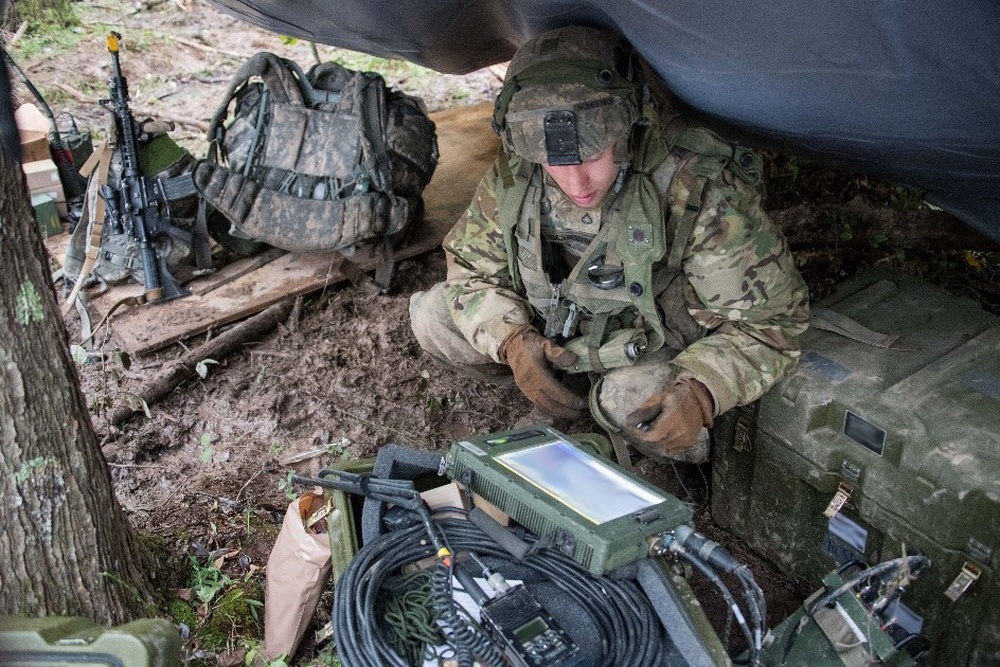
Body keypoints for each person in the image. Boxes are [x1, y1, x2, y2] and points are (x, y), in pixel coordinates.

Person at [410, 26, 809, 463]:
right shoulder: (516, 174)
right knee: (434, 316)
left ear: (628, 126)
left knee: (630, 401)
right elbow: (470, 269)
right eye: (555, 163)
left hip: (653, 343)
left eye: (593, 155)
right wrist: (511, 339)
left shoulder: (697, 189)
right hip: (557, 336)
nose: (575, 183)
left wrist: (701, 390)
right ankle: (558, 390)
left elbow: (772, 324)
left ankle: (675, 457)